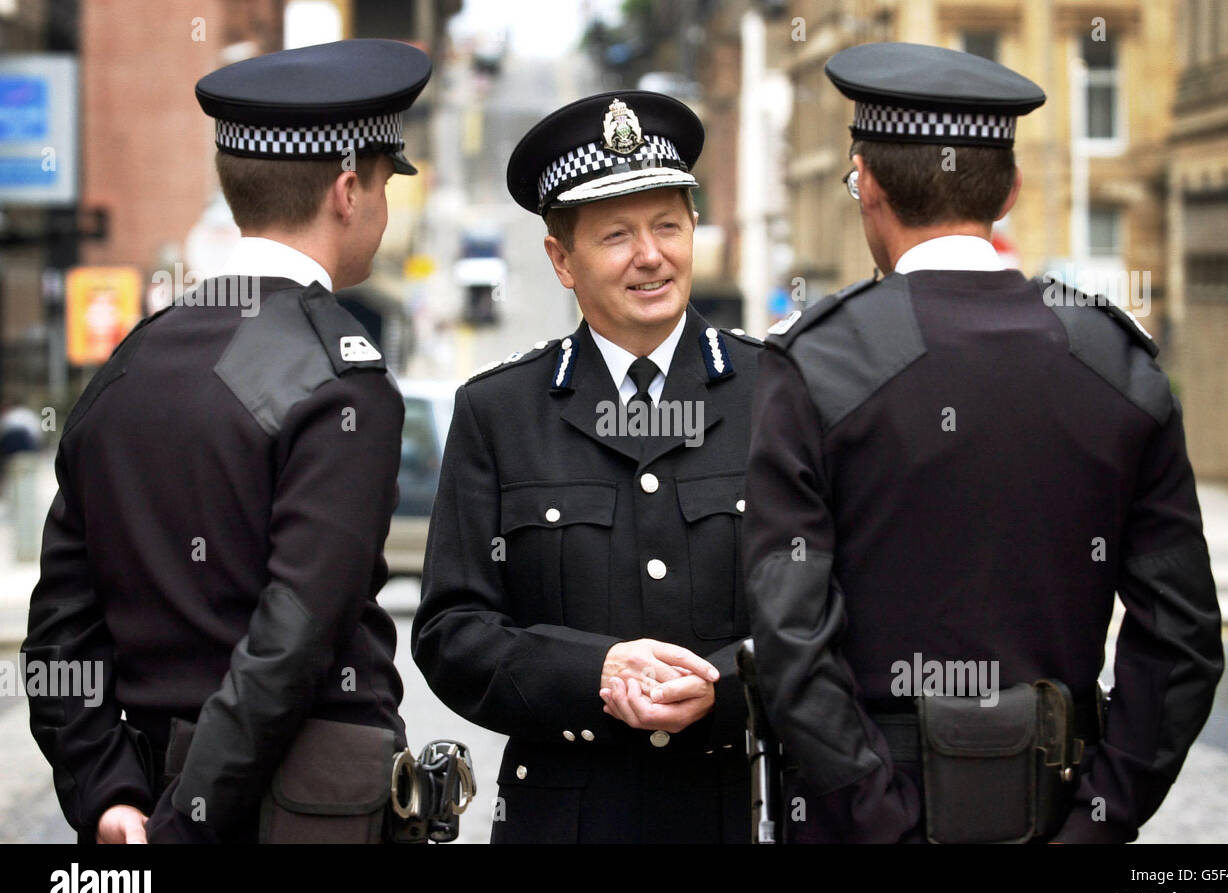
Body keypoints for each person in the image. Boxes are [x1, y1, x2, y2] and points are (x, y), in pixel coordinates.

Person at [742, 42, 1224, 844]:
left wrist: (881, 823)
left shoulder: (816, 364)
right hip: (1056, 807)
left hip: (862, 819)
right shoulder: (1115, 362)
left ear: (868, 185)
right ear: (1010, 189)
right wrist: (1098, 820)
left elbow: (792, 640)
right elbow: (1183, 640)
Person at [23, 39, 431, 843]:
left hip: (140, 806)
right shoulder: (339, 377)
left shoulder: (129, 362)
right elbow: (292, 642)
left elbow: (59, 633)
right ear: (348, 191)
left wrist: (108, 795)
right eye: (385, 183)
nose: (384, 208)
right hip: (298, 815)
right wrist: (186, 823)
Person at [412, 91, 762, 843]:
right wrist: (591, 673)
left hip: (735, 809)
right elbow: (451, 631)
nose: (651, 255)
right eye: (616, 235)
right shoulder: (499, 411)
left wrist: (726, 685)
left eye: (668, 224)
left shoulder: (779, 395)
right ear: (561, 259)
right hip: (561, 820)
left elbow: (829, 609)